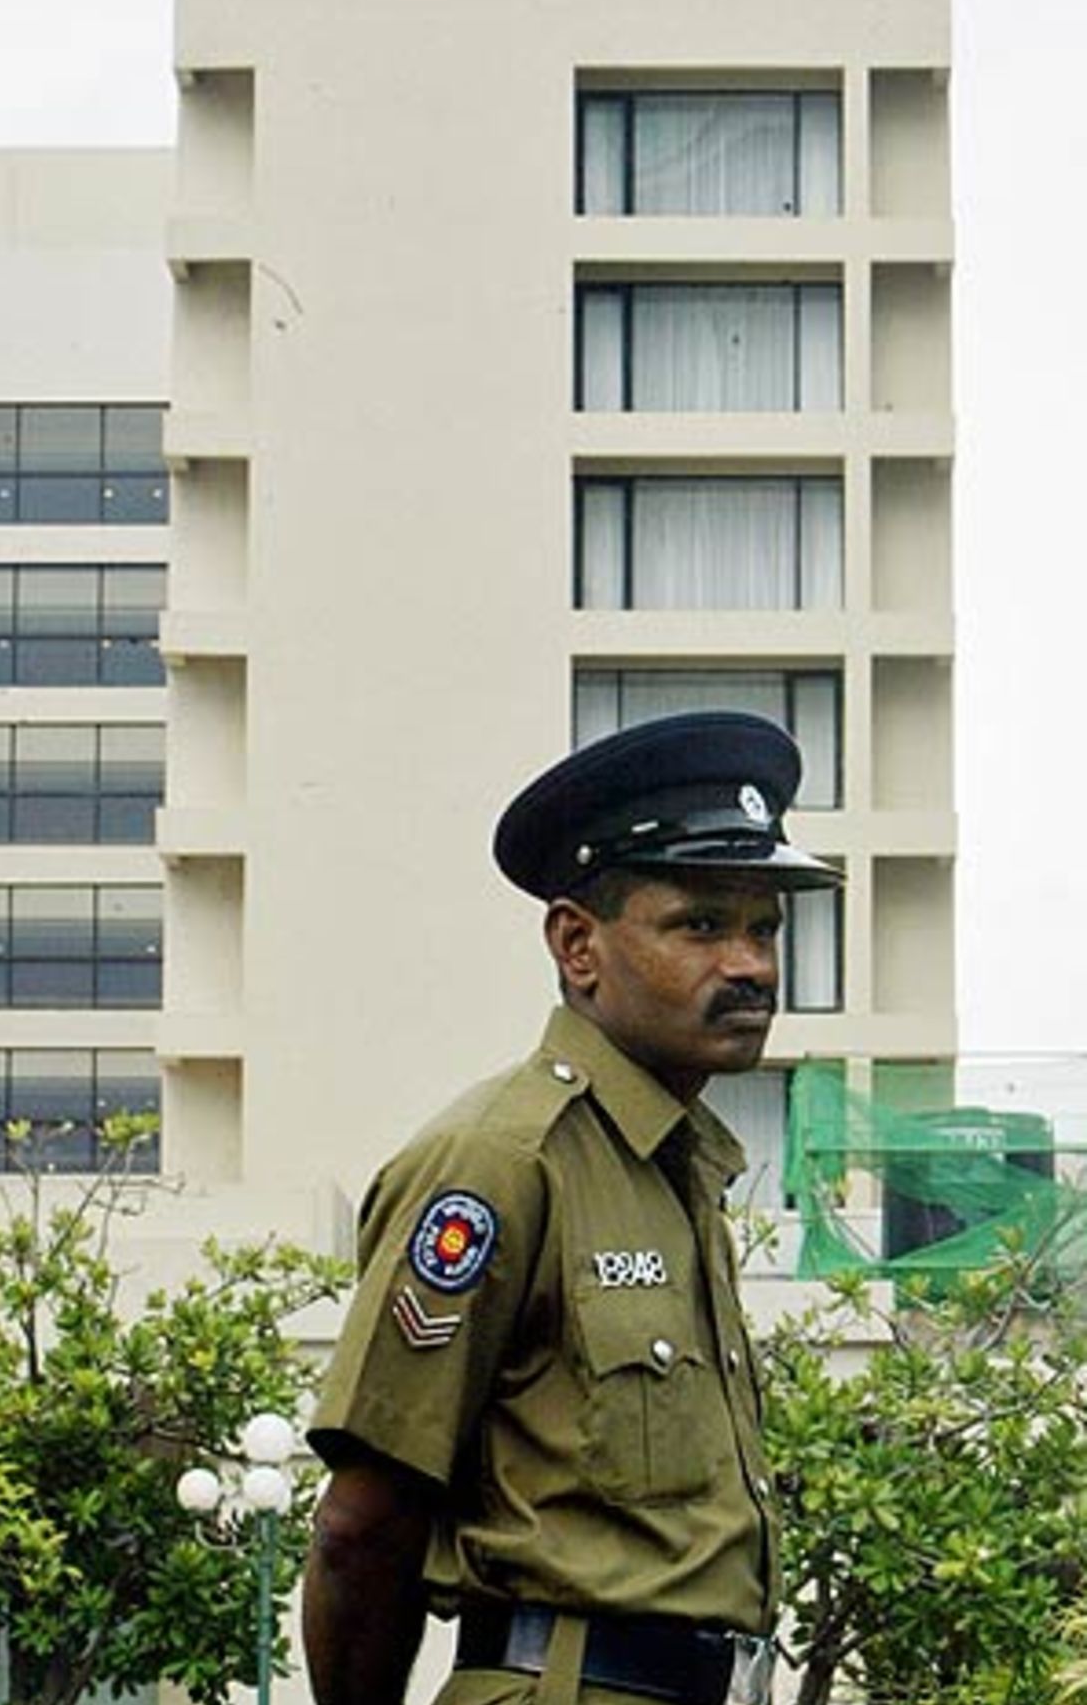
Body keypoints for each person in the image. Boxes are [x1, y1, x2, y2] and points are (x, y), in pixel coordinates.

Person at [303, 711, 842, 1705]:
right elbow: (360, 1528)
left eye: (763, 928)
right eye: (698, 923)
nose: (751, 965)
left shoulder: (675, 1169)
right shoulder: (501, 1163)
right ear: (576, 944)